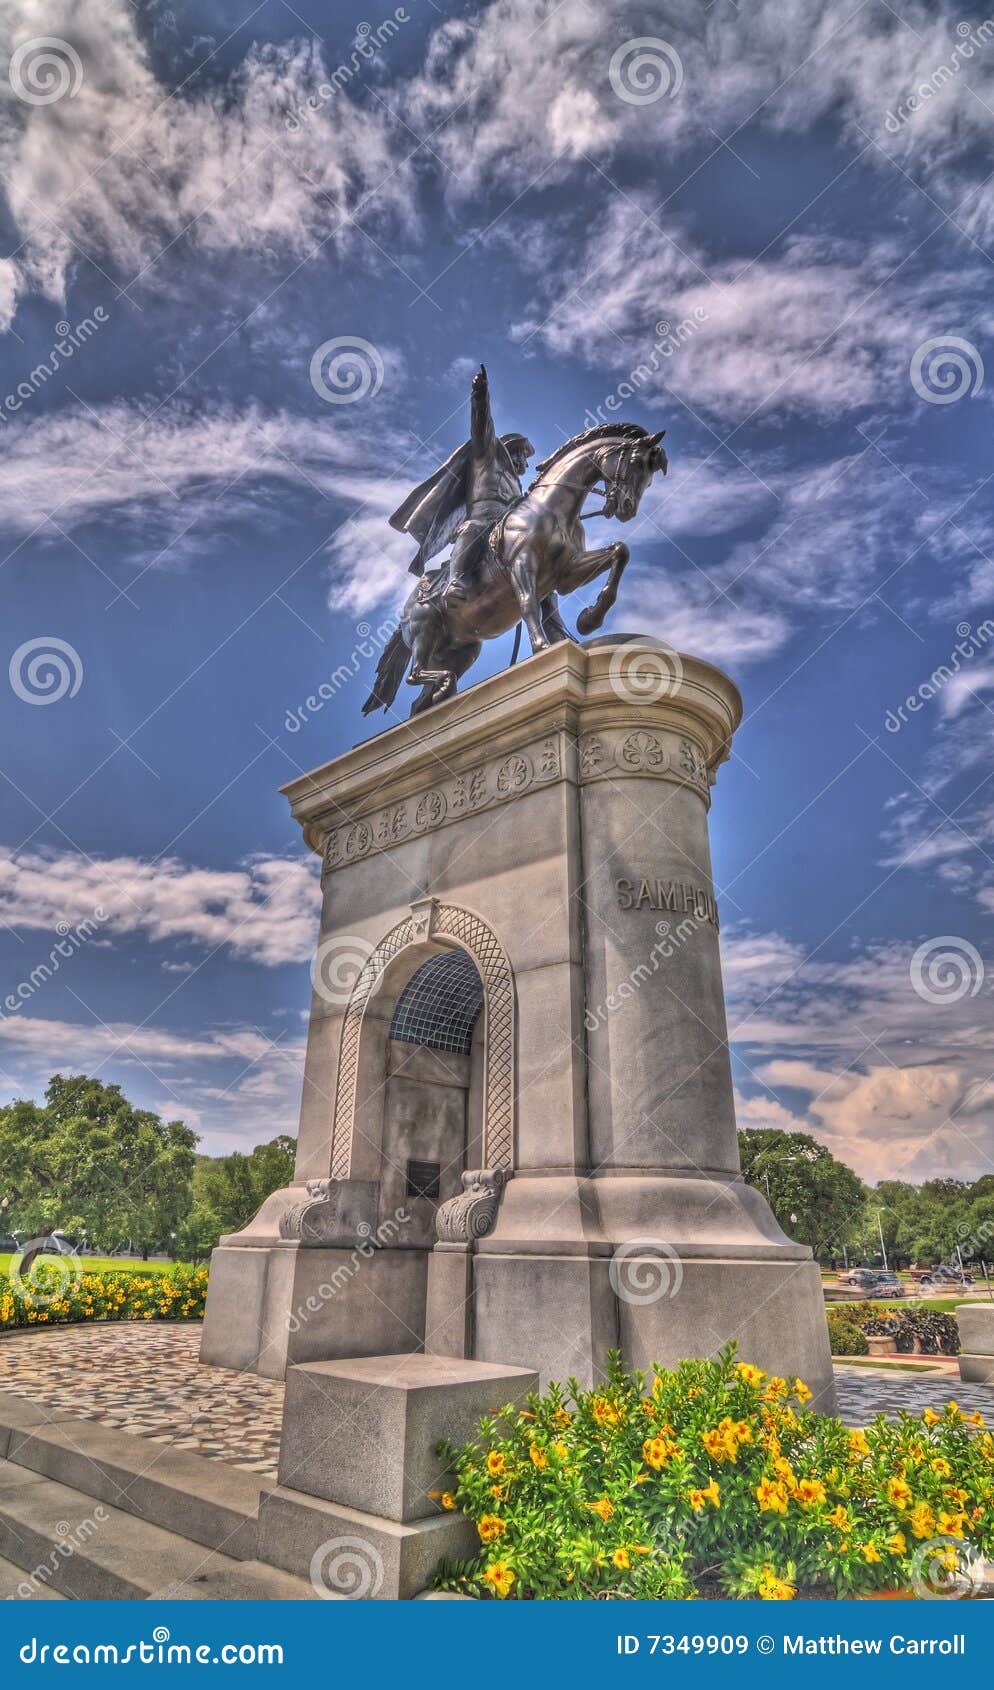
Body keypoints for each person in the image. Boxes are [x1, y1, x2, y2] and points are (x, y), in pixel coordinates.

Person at [389, 365, 533, 605]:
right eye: (522, 455)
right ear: (511, 452)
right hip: (482, 518)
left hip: (508, 526)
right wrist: (480, 395)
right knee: (472, 529)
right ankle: (457, 580)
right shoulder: (488, 454)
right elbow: (482, 423)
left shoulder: (516, 484)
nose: (525, 464)